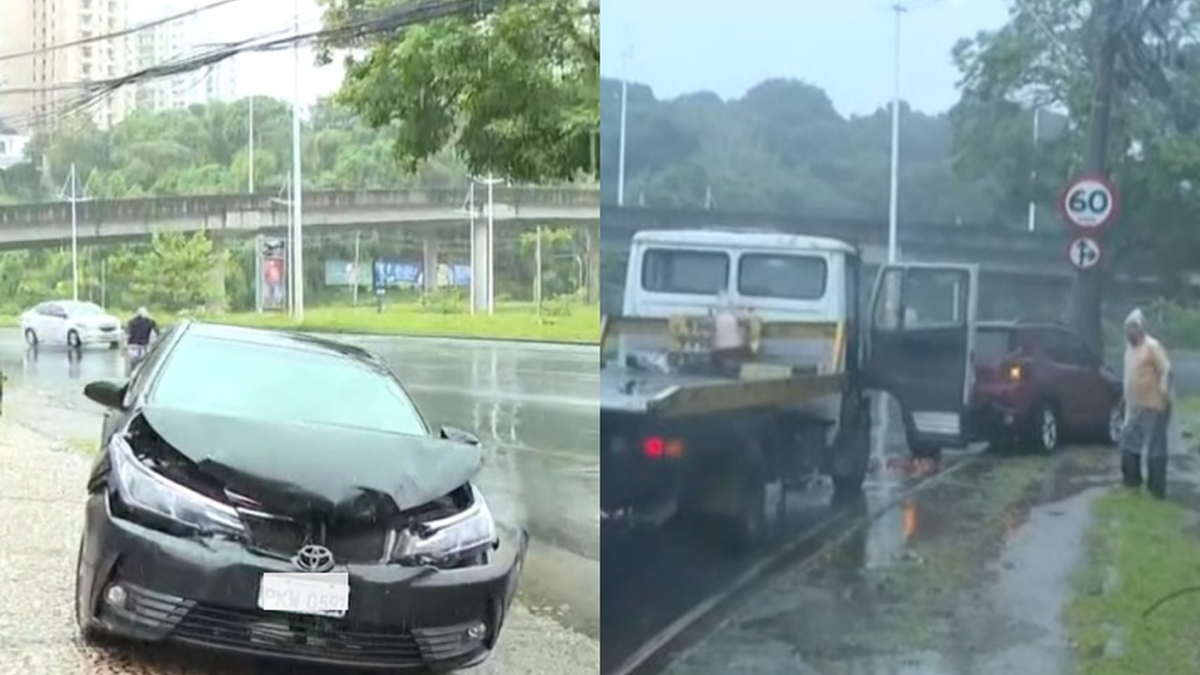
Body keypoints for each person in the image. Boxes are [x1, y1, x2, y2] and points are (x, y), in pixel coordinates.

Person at [1118, 308, 1173, 498]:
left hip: (1154, 405)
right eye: (1127, 328)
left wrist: (1164, 392)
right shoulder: (1129, 349)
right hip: (1135, 407)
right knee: (1128, 443)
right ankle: (1132, 482)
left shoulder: (1152, 346)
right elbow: (1129, 376)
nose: (1130, 332)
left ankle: (1156, 489)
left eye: (1133, 328)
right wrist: (1124, 400)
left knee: (1155, 449)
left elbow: (1165, 369)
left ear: (1141, 328)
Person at [125, 307, 158, 374]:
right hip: (143, 346)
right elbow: (157, 332)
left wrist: (125, 345)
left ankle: (132, 374)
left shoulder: (131, 322)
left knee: (133, 364)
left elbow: (127, 334)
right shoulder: (150, 322)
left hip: (132, 345)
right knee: (143, 364)